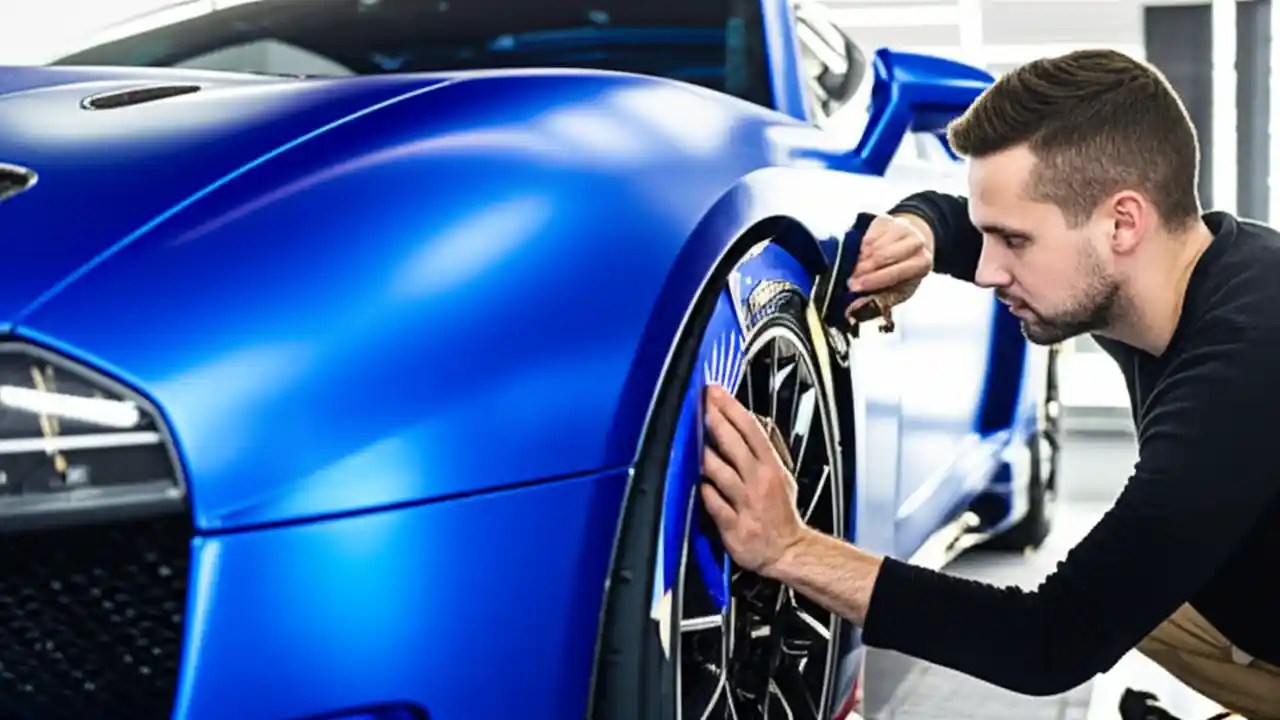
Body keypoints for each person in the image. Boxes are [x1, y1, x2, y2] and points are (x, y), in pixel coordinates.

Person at [697, 48, 1280, 719]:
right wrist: (919, 230)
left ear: (1123, 222)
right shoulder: (1182, 266)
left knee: (1109, 591)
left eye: (1014, 242)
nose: (988, 271)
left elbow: (1048, 641)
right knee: (1136, 576)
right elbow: (969, 224)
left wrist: (792, 548)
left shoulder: (1247, 360)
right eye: (986, 238)